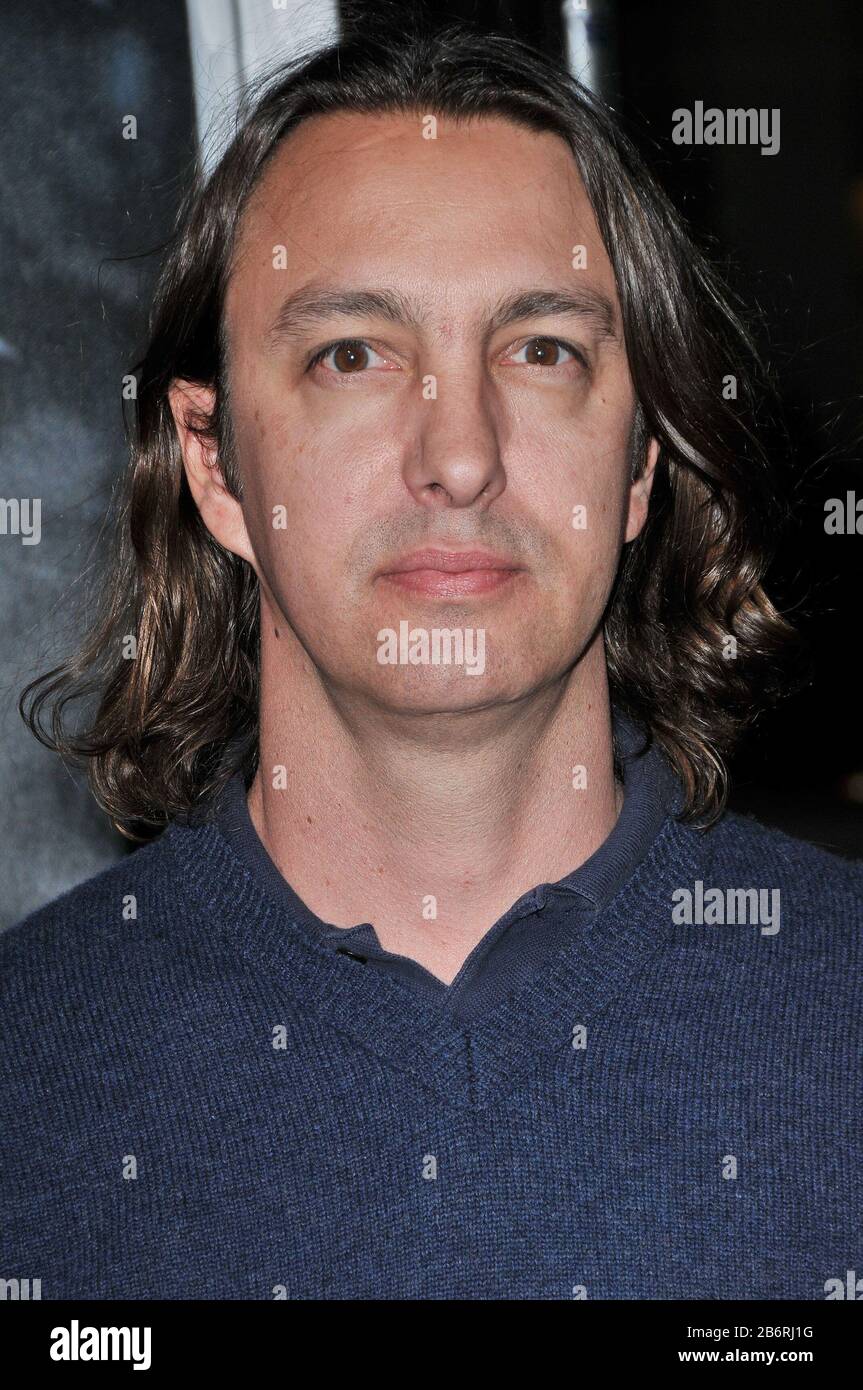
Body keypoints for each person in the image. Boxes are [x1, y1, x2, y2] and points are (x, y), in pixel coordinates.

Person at [2, 16, 860, 1301]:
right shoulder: (29, 1070)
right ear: (214, 461)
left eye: (540, 350)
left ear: (637, 464)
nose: (458, 453)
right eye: (354, 353)